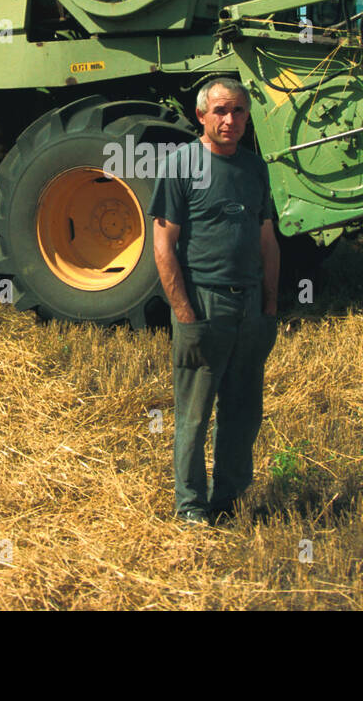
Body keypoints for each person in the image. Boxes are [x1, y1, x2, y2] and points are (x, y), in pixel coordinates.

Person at [149, 78, 280, 527]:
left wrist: (270, 306)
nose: (231, 120)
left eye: (239, 111)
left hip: (249, 307)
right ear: (202, 115)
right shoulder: (180, 165)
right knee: (194, 415)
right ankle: (190, 506)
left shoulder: (254, 169)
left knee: (242, 413)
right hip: (203, 303)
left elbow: (267, 239)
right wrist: (185, 314)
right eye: (221, 110)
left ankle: (229, 500)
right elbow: (163, 245)